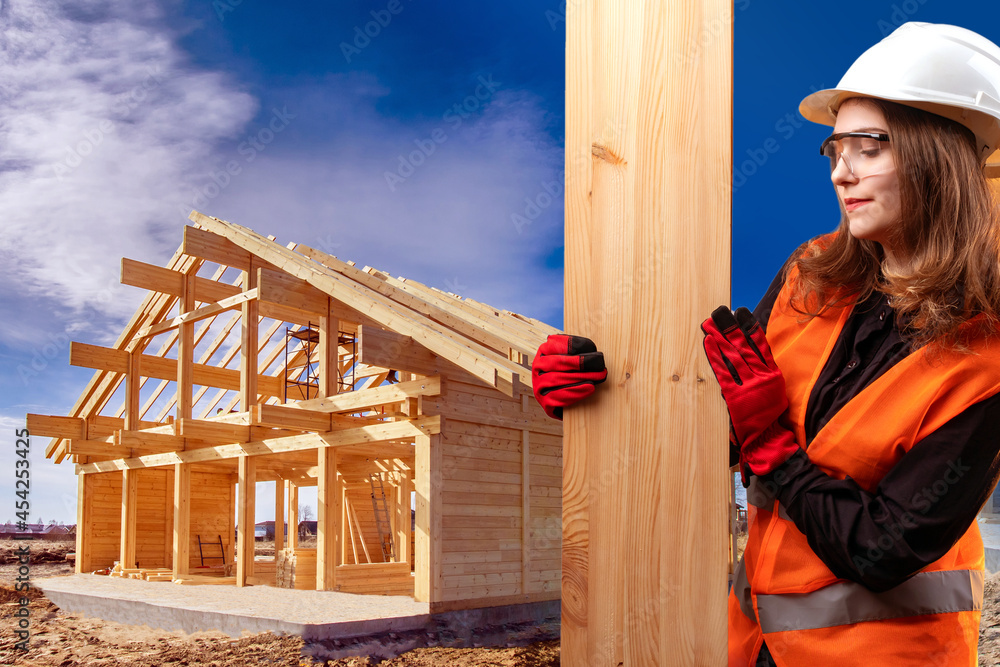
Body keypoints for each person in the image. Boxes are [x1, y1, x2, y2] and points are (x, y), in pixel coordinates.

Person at [532, 22, 1000, 666]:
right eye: (835, 151)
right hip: (755, 646)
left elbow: (885, 549)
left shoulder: (987, 357)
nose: (841, 173)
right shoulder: (811, 276)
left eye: (868, 148)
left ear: (939, 156)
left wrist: (774, 450)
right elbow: (713, 423)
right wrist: (594, 397)